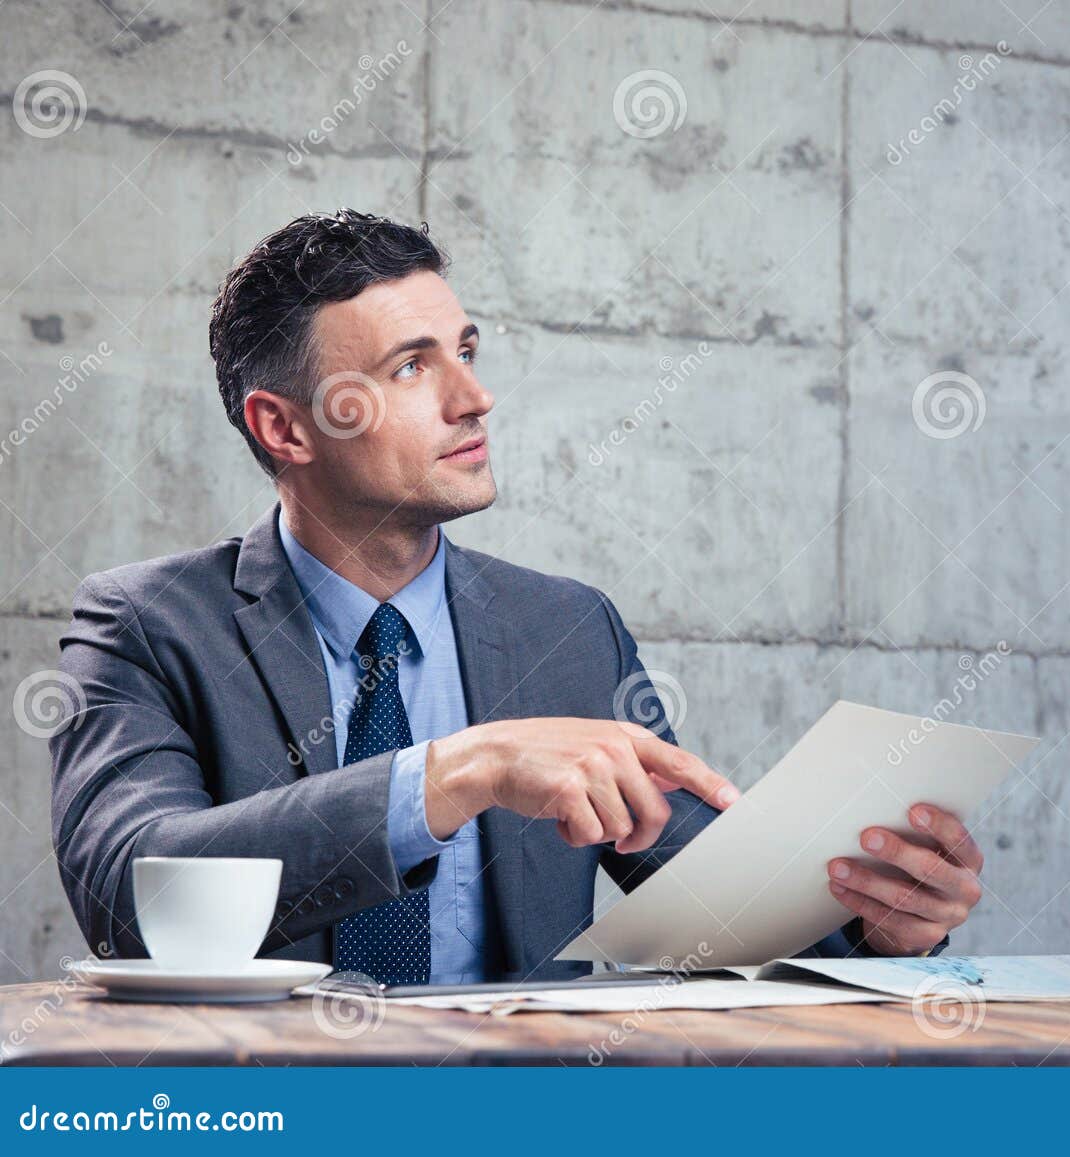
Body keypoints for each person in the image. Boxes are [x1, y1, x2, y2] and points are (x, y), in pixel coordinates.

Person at [48, 210, 986, 985]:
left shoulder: (566, 629)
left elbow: (724, 905)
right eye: (411, 366)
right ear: (284, 426)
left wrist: (884, 925)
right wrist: (453, 774)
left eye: (465, 349)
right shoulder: (146, 625)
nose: (475, 396)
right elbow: (126, 896)